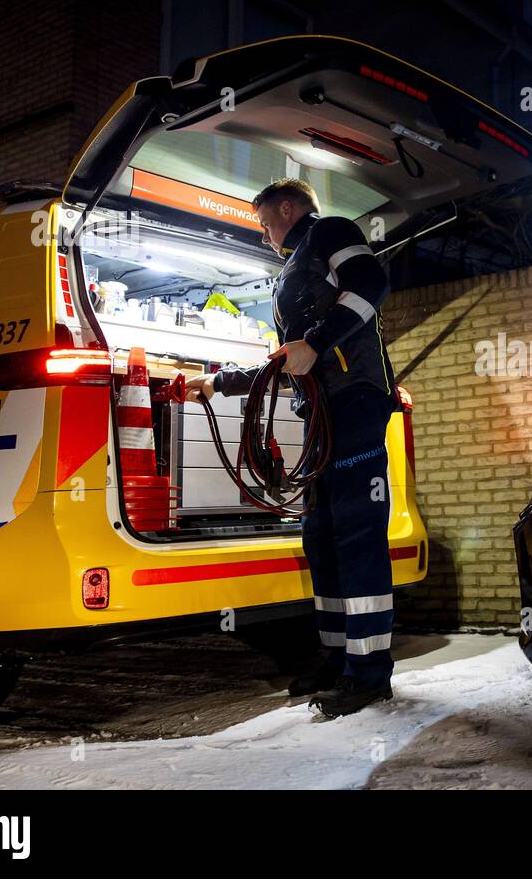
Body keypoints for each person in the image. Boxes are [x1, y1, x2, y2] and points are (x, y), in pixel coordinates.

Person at [185, 178, 398, 718]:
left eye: (264, 222)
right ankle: (336, 657)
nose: (263, 235)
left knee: (355, 532)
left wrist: (319, 342)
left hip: (353, 405)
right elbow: (287, 362)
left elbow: (371, 282)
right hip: (321, 413)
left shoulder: (330, 231)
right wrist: (219, 383)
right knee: (321, 536)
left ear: (287, 206)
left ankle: (370, 673)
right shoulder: (292, 271)